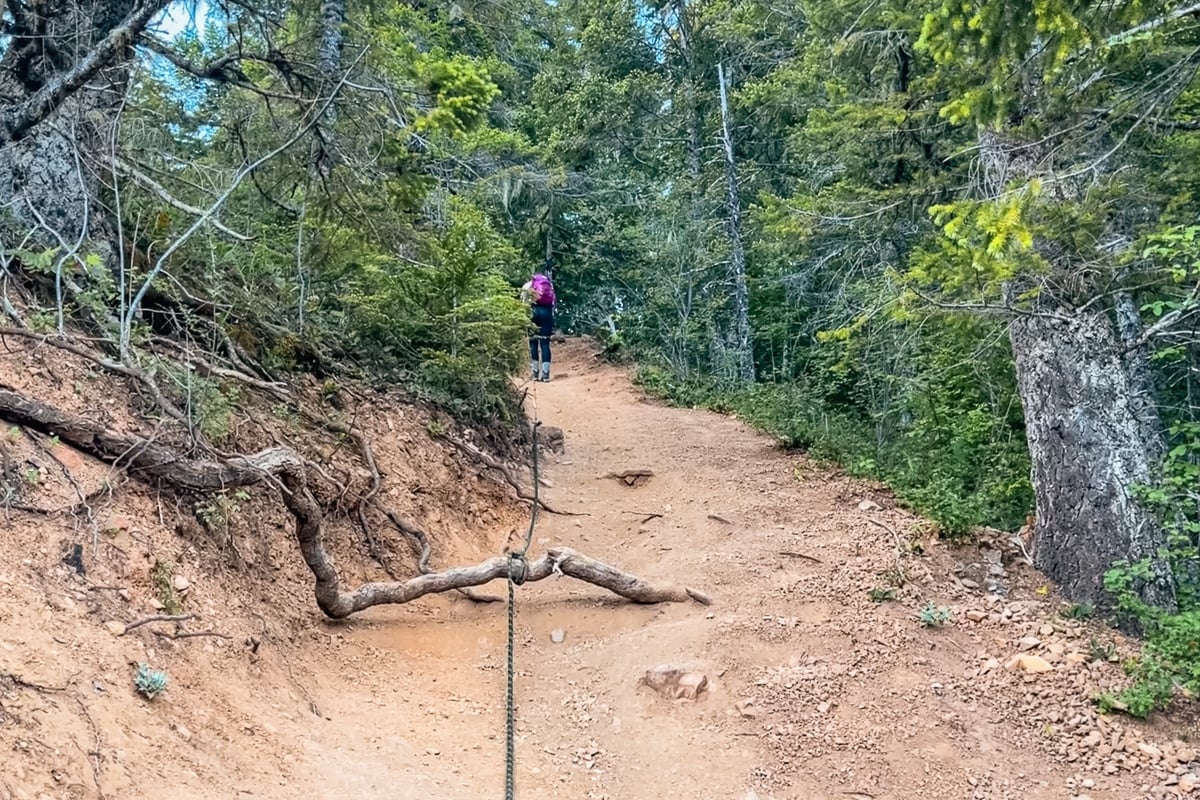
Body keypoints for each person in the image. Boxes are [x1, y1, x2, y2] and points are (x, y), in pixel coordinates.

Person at [521, 272, 555, 382]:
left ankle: (535, 373)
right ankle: (546, 374)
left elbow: (523, 303)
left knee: (533, 343)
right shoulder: (549, 286)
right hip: (547, 313)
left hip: (533, 313)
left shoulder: (527, 286)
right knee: (545, 343)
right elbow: (554, 302)